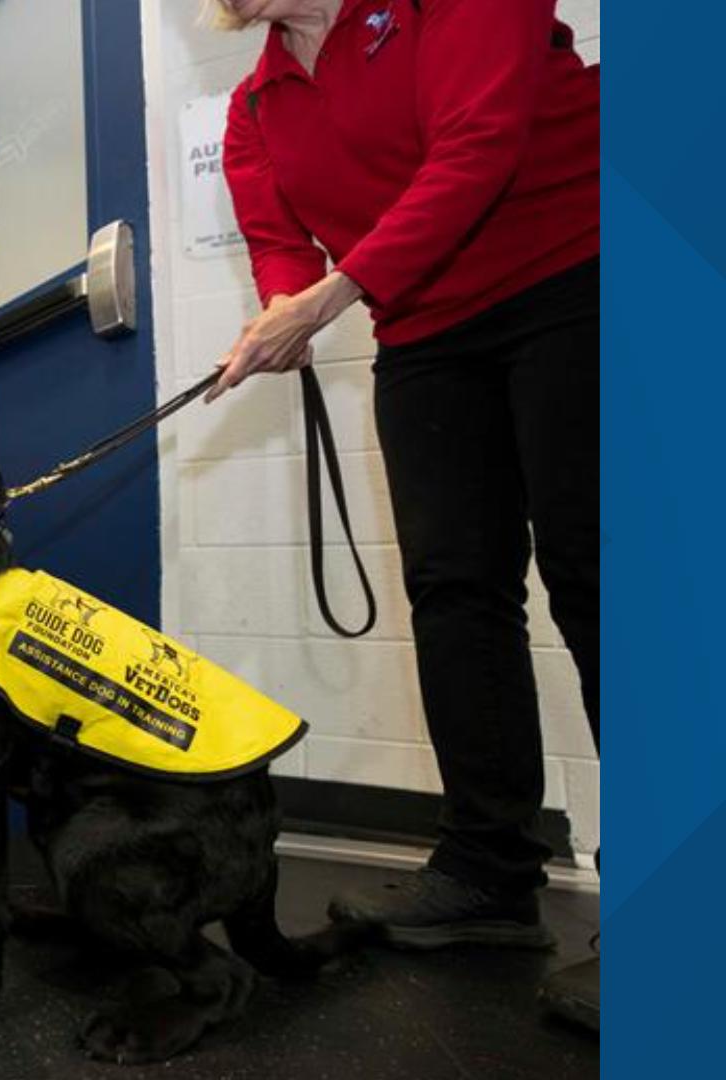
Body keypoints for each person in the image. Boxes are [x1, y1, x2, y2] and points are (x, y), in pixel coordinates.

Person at [202, 0, 599, 1028]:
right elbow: (278, 238)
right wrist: (281, 312)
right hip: (426, 327)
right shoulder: (256, 108)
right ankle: (490, 874)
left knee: (605, 578)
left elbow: (479, 146)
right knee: (454, 593)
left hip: (580, 274)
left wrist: (330, 297)